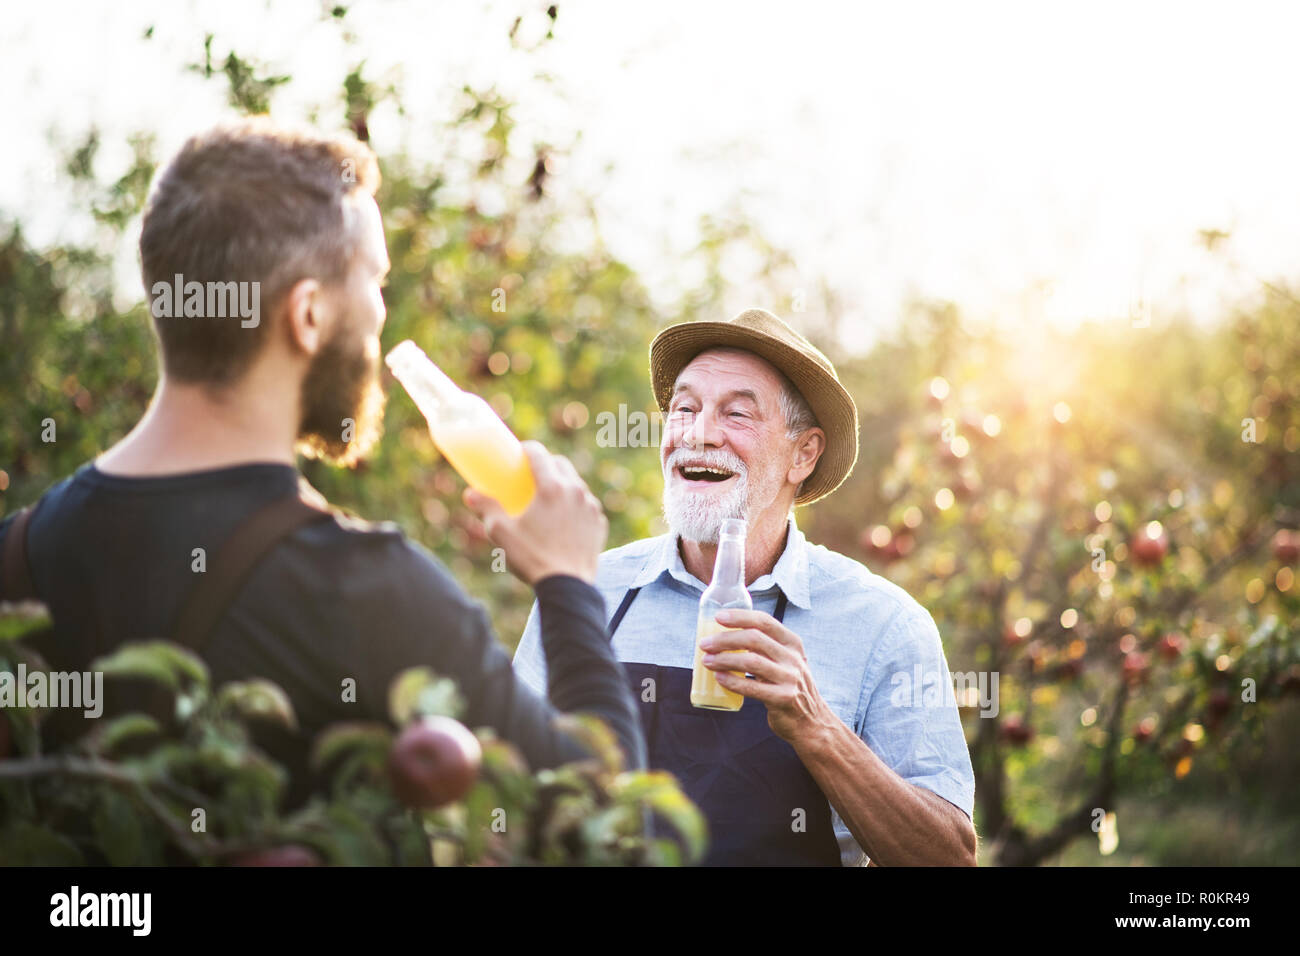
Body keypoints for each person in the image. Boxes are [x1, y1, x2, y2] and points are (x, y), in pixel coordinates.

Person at [0, 119, 644, 807]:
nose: (380, 315)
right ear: (306, 315)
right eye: (374, 281)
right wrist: (570, 584)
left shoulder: (14, 552)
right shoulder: (366, 590)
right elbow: (613, 827)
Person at [514, 308, 977, 866]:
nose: (698, 433)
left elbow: (949, 859)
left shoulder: (883, 625)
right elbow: (501, 796)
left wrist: (816, 727)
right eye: (684, 409)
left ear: (803, 454)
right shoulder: (586, 590)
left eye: (736, 414)